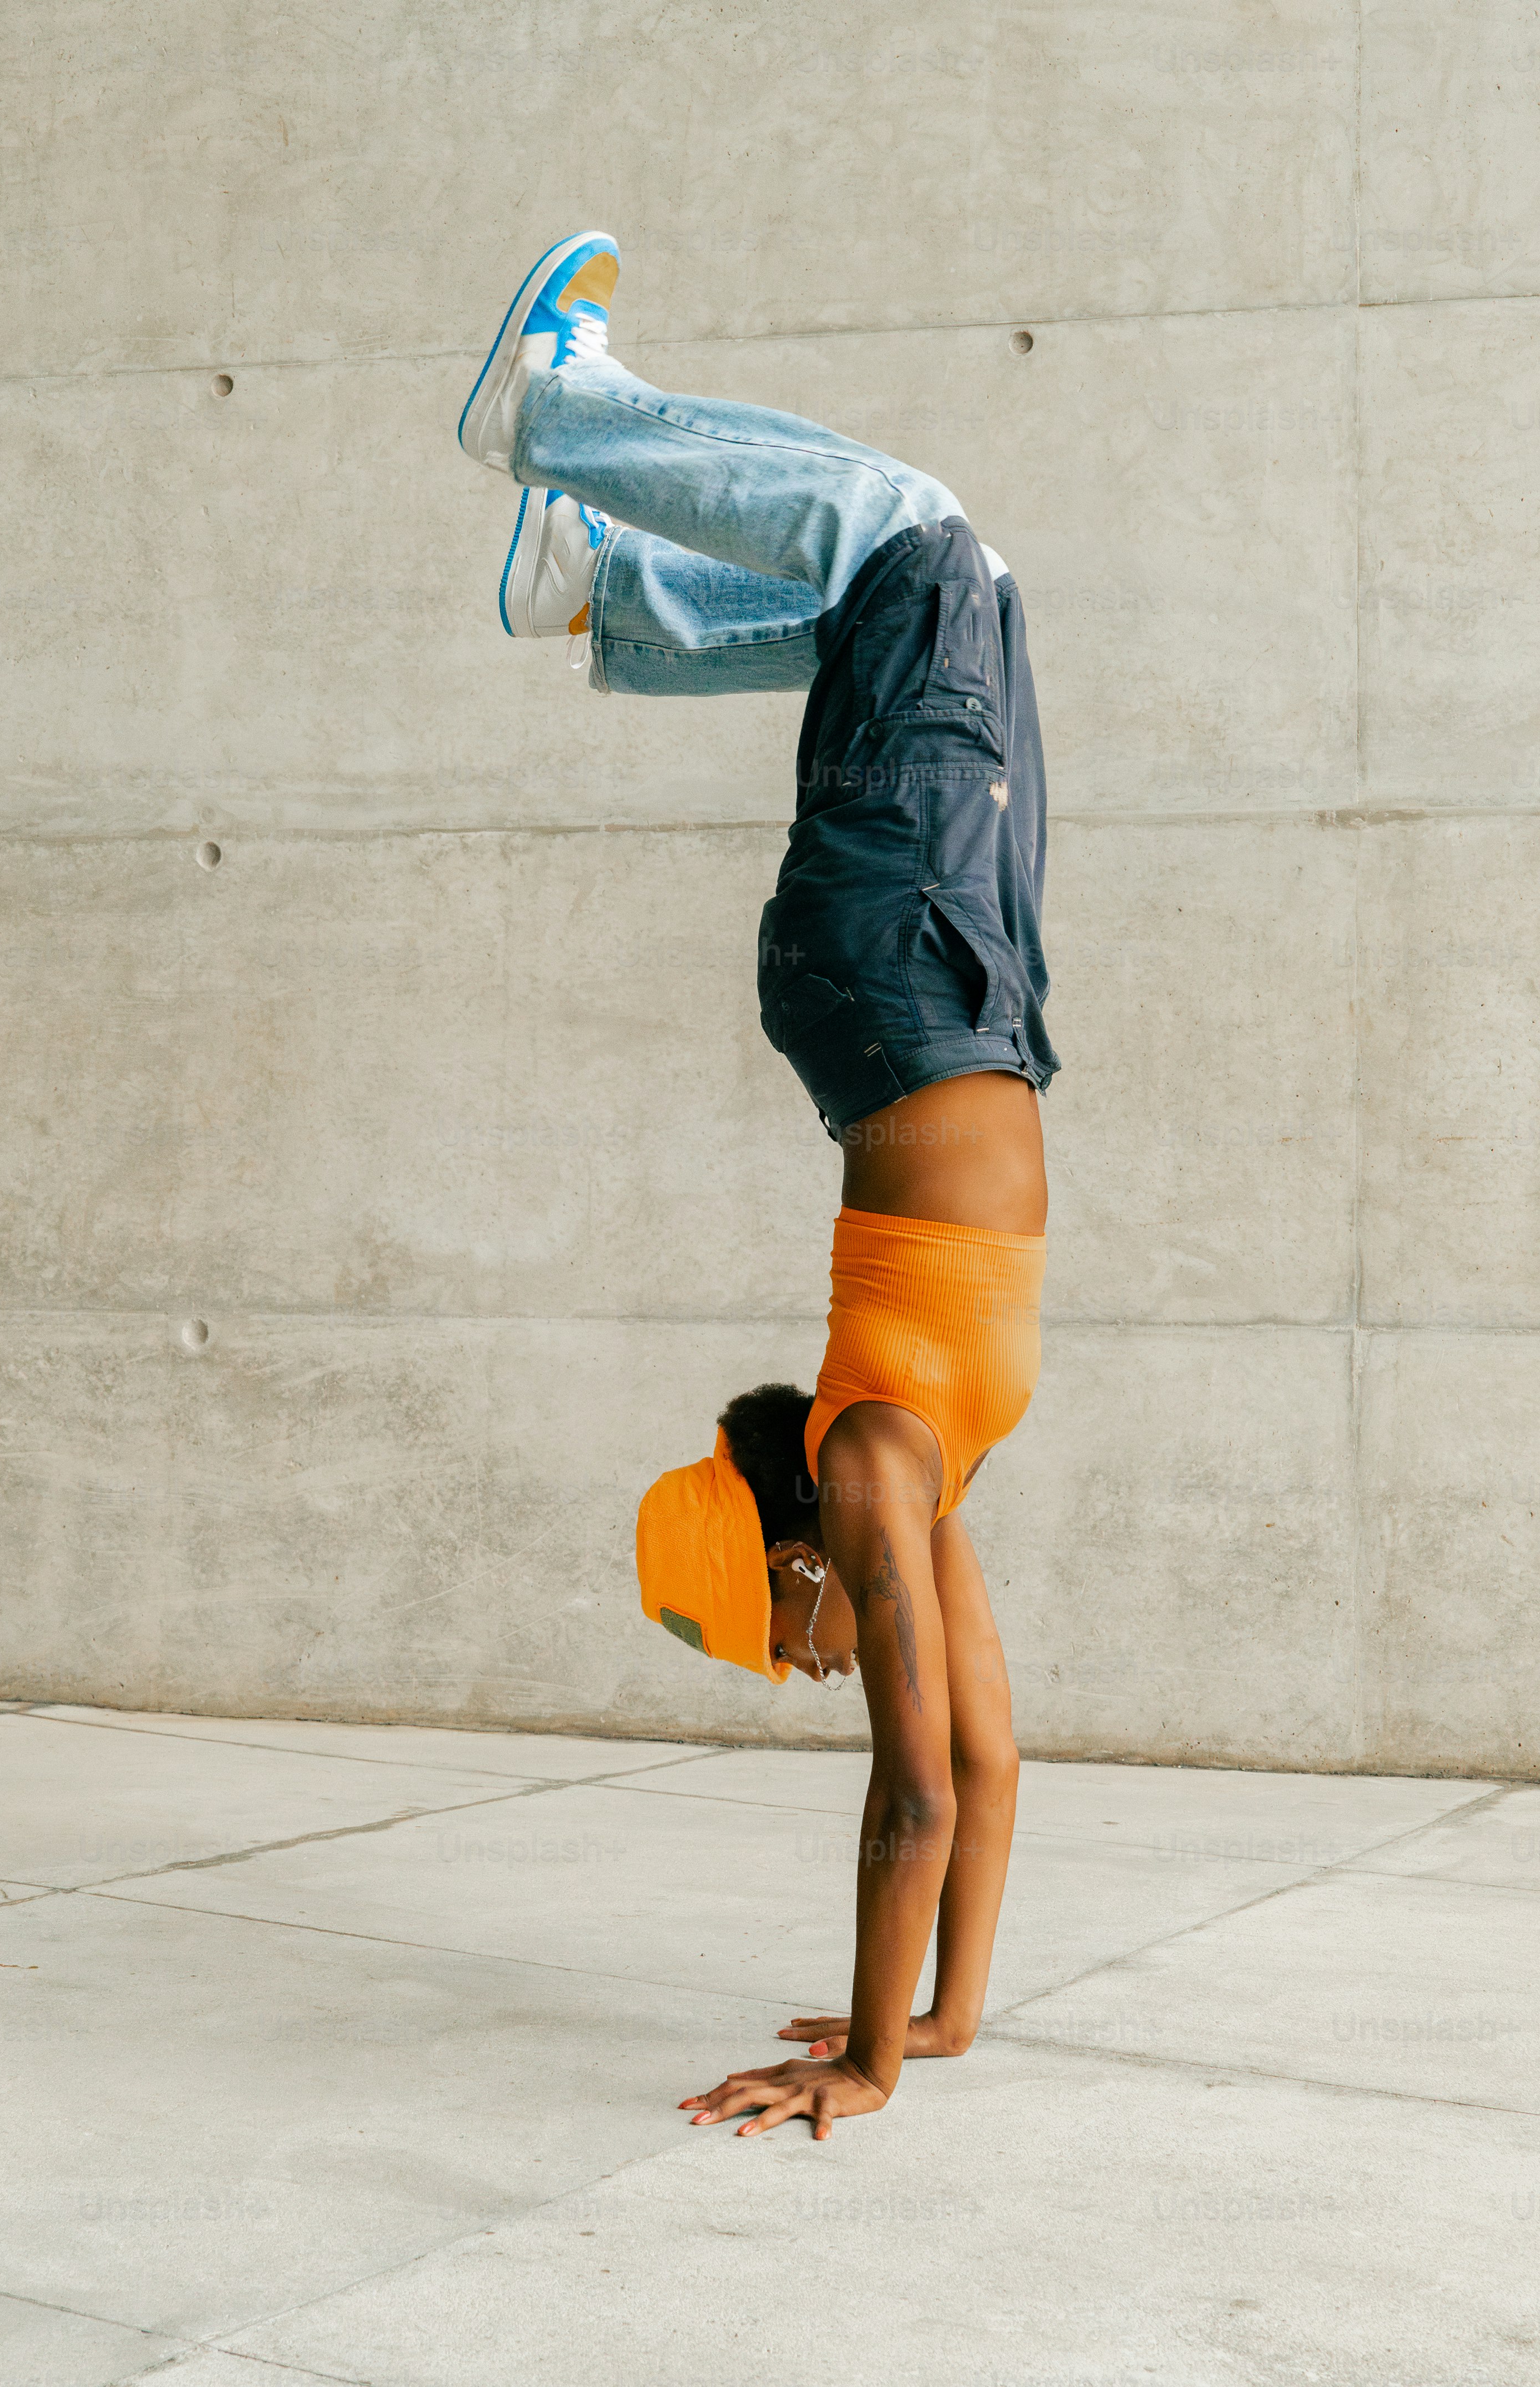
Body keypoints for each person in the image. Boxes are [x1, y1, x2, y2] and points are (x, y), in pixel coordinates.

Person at [457, 233, 1057, 2141]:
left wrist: (859, 2068)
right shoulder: (913, 1477)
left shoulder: (880, 1468)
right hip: (949, 989)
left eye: (771, 1637)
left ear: (796, 1557)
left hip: (899, 970)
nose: (800, 1667)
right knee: (958, 599)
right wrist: (946, 2021)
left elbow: (910, 1799)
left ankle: (554, 422)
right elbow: (988, 1753)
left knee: (911, 537)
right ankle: (611, 595)